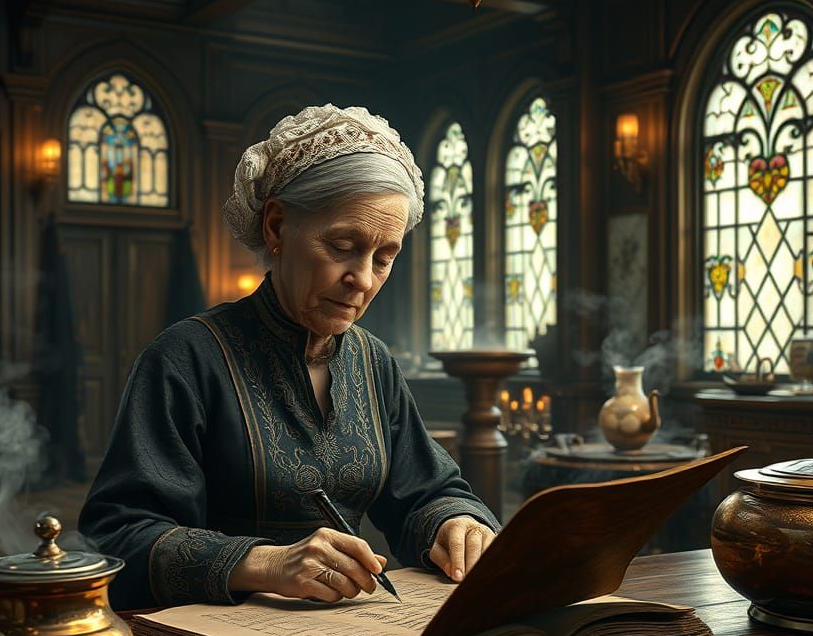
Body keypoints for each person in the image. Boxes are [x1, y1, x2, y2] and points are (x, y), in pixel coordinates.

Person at [80, 104, 499, 610]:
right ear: (277, 227)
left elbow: (427, 491)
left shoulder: (373, 364)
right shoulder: (185, 360)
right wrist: (263, 563)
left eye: (384, 258)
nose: (363, 279)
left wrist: (456, 523)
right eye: (343, 246)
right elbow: (115, 538)